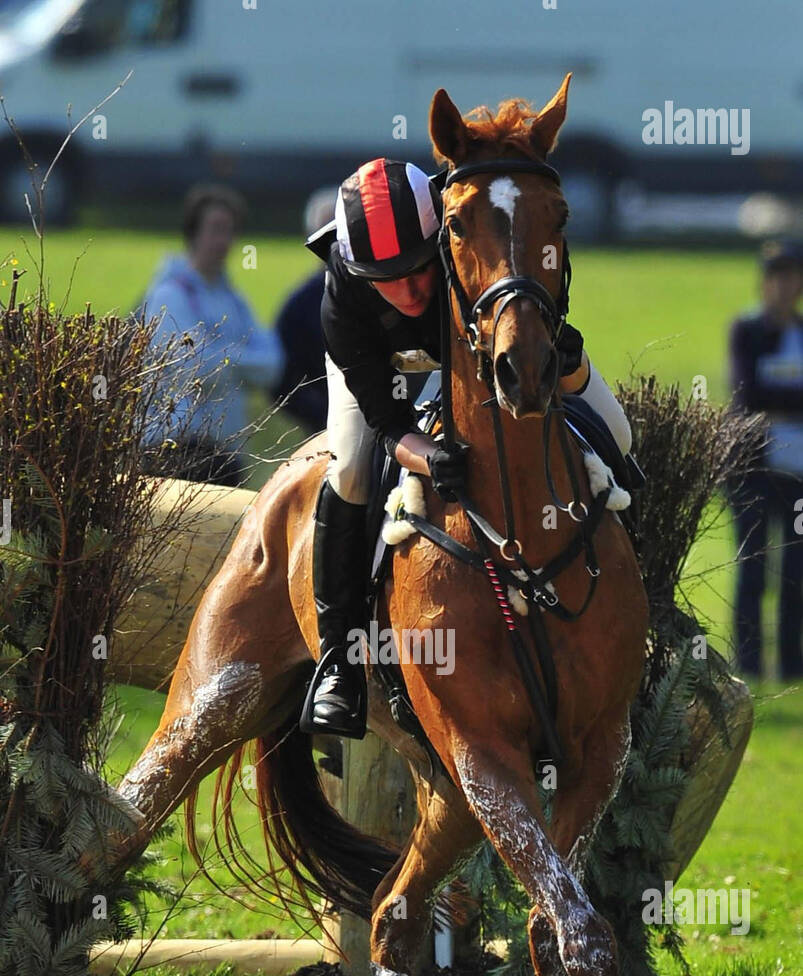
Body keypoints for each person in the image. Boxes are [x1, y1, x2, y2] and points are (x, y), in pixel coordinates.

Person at [300, 157, 634, 739]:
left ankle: (633, 609)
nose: (407, 289)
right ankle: (339, 663)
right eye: (388, 278)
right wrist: (430, 458)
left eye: (417, 270)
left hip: (475, 340)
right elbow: (385, 422)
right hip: (384, 366)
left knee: (620, 434)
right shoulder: (345, 294)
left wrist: (562, 361)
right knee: (352, 469)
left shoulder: (473, 236)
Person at [141, 183, 284, 486]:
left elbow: (271, 364)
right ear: (193, 233)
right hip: (172, 450)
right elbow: (192, 365)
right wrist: (236, 358)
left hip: (226, 454)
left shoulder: (234, 300)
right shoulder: (170, 294)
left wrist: (221, 353)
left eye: (230, 231)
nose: (224, 240)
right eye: (216, 229)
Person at [728, 240, 803, 679]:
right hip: (753, 471)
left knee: (795, 573)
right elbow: (747, 394)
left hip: (798, 476)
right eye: (777, 277)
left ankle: (792, 665)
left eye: (792, 277)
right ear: (765, 283)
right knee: (752, 570)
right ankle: (750, 664)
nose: (785, 287)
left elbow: (763, 394)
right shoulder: (748, 331)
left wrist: (778, 400)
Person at [272, 187, 338, 434]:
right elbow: (281, 376)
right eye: (325, 230)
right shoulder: (299, 305)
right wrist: (323, 414)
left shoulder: (382, 290)